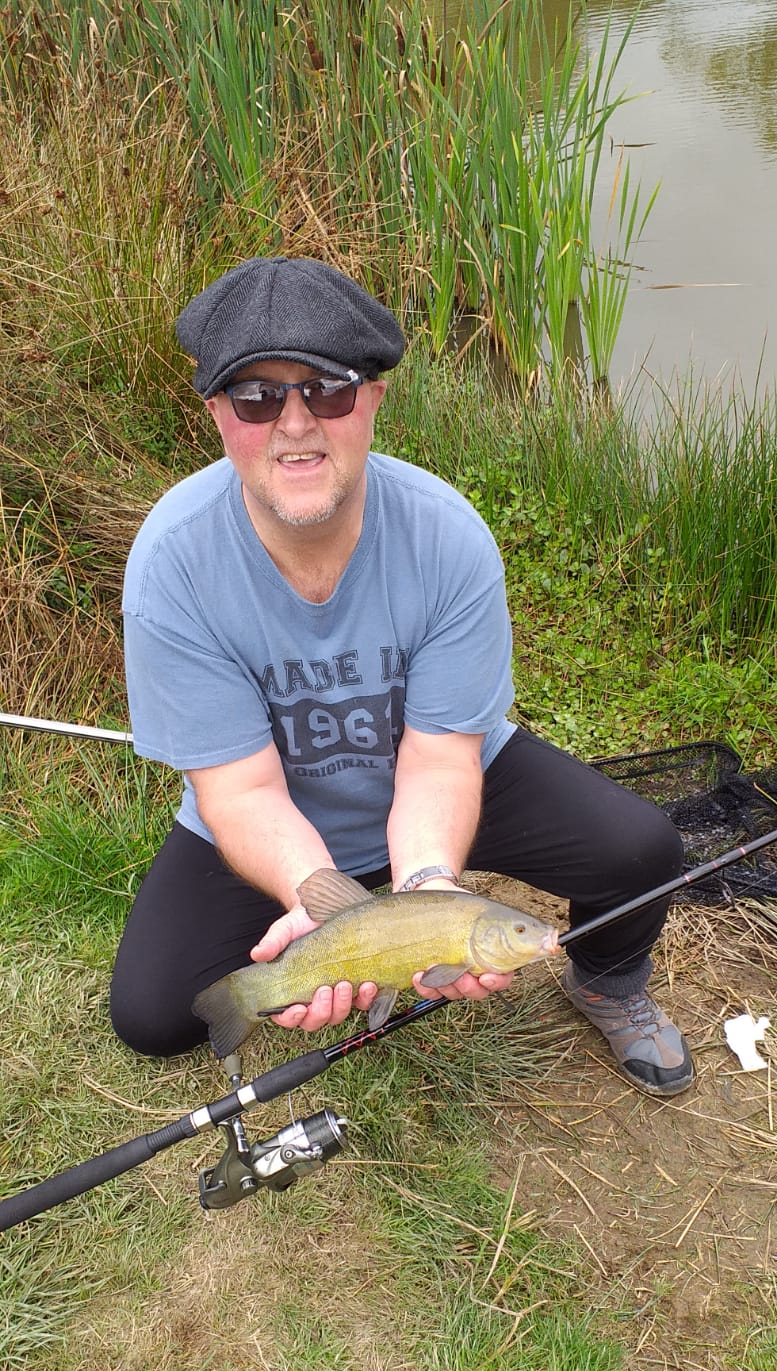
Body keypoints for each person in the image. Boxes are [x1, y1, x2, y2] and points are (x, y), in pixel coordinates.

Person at [110, 255, 693, 1097]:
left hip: (430, 776)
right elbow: (239, 791)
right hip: (283, 809)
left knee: (641, 849)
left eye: (327, 391)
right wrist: (321, 904)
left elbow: (441, 759)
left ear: (373, 399)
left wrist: (428, 891)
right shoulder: (173, 563)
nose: (295, 425)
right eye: (257, 397)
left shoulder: (445, 536)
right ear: (218, 414)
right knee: (154, 1014)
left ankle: (607, 981)